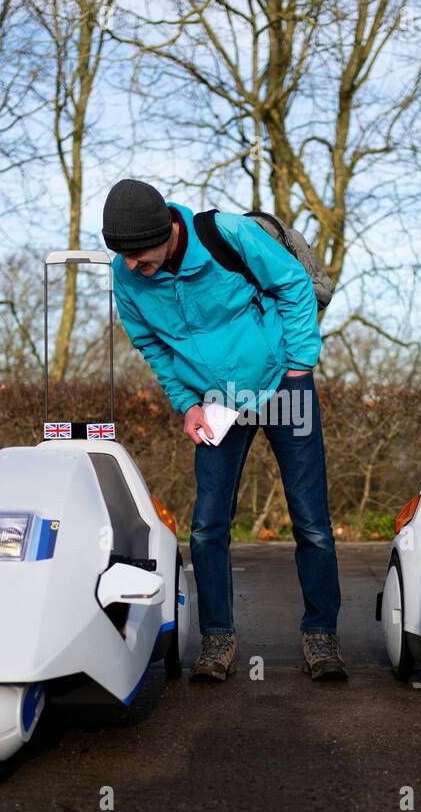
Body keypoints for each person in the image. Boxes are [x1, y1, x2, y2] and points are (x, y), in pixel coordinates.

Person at [101, 178, 345, 681]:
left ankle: (320, 635)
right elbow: (152, 346)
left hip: (282, 384)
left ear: (169, 228)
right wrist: (186, 403)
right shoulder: (126, 276)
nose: (130, 267)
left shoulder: (228, 236)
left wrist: (300, 364)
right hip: (216, 404)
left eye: (139, 255)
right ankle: (217, 639)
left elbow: (294, 286)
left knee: (311, 521)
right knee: (208, 525)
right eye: (121, 256)